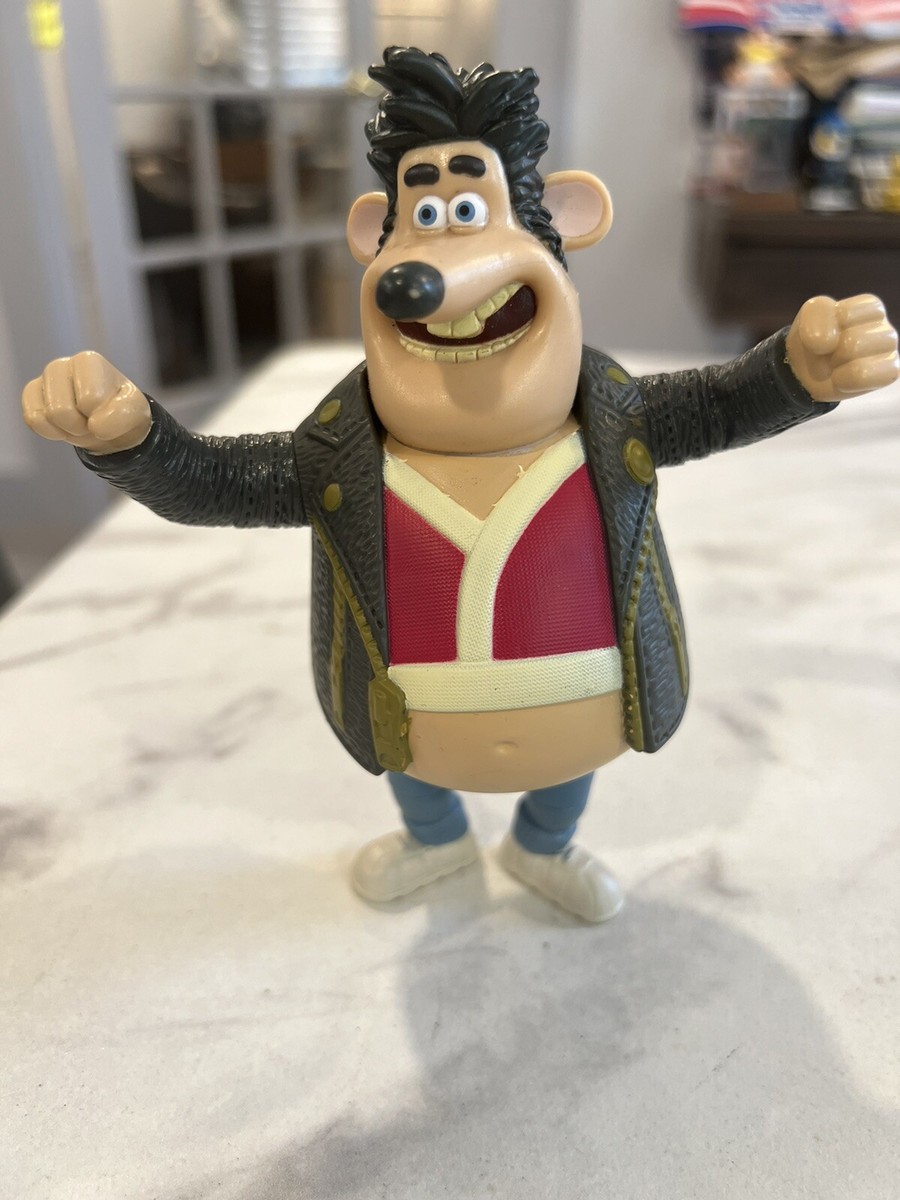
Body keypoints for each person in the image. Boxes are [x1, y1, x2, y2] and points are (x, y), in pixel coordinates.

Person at [22, 48, 900, 922]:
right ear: (374, 235)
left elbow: (719, 405)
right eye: (423, 219)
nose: (435, 276)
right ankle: (434, 838)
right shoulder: (339, 456)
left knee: (569, 777)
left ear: (566, 219)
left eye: (471, 210)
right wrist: (135, 441)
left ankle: (543, 844)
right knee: (410, 772)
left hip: (582, 713)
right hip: (409, 719)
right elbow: (213, 484)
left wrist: (794, 374)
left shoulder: (619, 421)